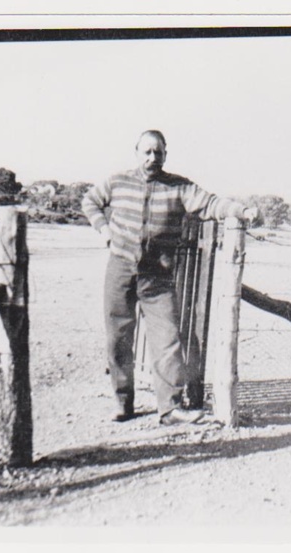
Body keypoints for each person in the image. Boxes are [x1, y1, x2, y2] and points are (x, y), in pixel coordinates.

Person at [82, 130, 257, 426]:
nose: (152, 158)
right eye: (147, 152)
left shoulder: (179, 187)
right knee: (118, 338)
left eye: (158, 153)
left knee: (167, 340)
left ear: (165, 155)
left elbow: (210, 204)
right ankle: (123, 402)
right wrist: (104, 231)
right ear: (136, 152)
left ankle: (170, 409)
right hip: (120, 269)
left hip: (158, 276)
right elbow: (90, 202)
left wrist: (242, 210)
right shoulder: (117, 181)